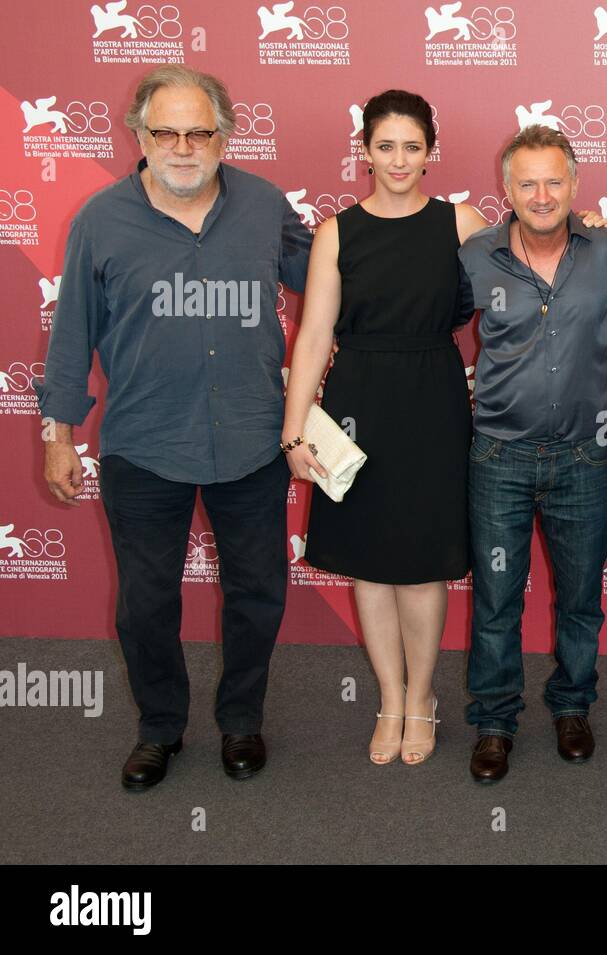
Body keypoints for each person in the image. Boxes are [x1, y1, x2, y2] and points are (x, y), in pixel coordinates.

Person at [36, 65, 313, 789]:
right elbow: (71, 336)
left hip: (254, 439)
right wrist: (59, 435)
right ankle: (160, 726)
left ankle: (241, 720)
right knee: (145, 602)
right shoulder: (99, 220)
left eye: (200, 132)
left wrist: (438, 235)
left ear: (223, 136)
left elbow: (333, 270)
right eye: (167, 131)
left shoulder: (263, 205)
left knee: (259, 592)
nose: (184, 146)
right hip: (144, 445)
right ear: (140, 135)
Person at [282, 90, 487, 766]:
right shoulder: (338, 231)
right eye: (386, 145)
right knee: (368, 564)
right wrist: (294, 431)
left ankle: (423, 696)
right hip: (355, 405)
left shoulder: (460, 222)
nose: (399, 159)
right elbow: (313, 335)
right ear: (365, 150)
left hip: (432, 399)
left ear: (431, 151)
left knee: (425, 565)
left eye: (412, 146)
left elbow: (515, 300)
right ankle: (390, 698)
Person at [457, 125, 607, 783]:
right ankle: (495, 720)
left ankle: (572, 704)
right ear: (507, 189)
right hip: (499, 454)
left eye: (555, 180)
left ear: (576, 184)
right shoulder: (474, 255)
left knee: (581, 596)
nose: (542, 193)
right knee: (497, 597)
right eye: (527, 182)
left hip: (583, 456)